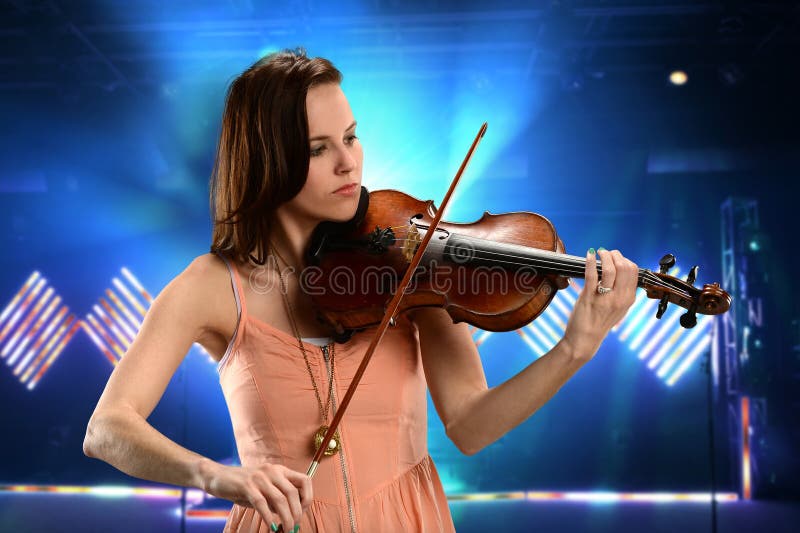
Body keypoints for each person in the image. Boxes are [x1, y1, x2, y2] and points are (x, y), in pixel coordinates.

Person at [83, 49, 639, 533]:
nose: (349, 162)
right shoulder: (210, 285)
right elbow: (108, 429)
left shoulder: (407, 259)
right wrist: (216, 475)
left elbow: (471, 425)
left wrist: (575, 348)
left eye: (350, 137)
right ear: (267, 158)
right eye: (318, 148)